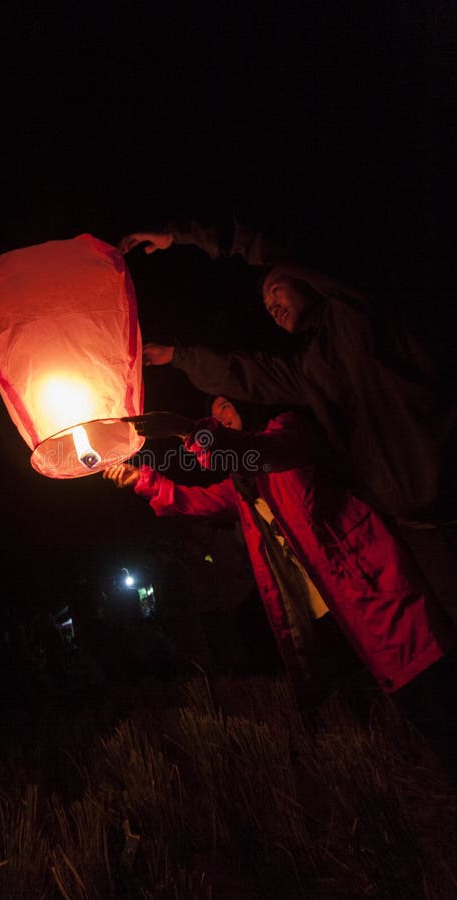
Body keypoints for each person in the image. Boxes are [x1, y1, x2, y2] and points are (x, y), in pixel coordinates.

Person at [118, 224, 457, 624]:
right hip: (405, 534)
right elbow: (248, 381)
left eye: (277, 290)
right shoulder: (313, 372)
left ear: (308, 281)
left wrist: (184, 235)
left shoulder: (357, 317)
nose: (271, 306)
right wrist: (139, 475)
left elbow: (253, 452)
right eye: (264, 304)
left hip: (436, 507)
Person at [105, 399, 457, 770]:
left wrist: (189, 430)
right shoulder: (245, 482)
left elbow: (254, 452)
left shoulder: (288, 433)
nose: (218, 415)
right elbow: (197, 500)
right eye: (211, 413)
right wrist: (142, 479)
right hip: (321, 616)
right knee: (376, 718)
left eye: (224, 406)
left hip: (371, 594)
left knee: (430, 695)